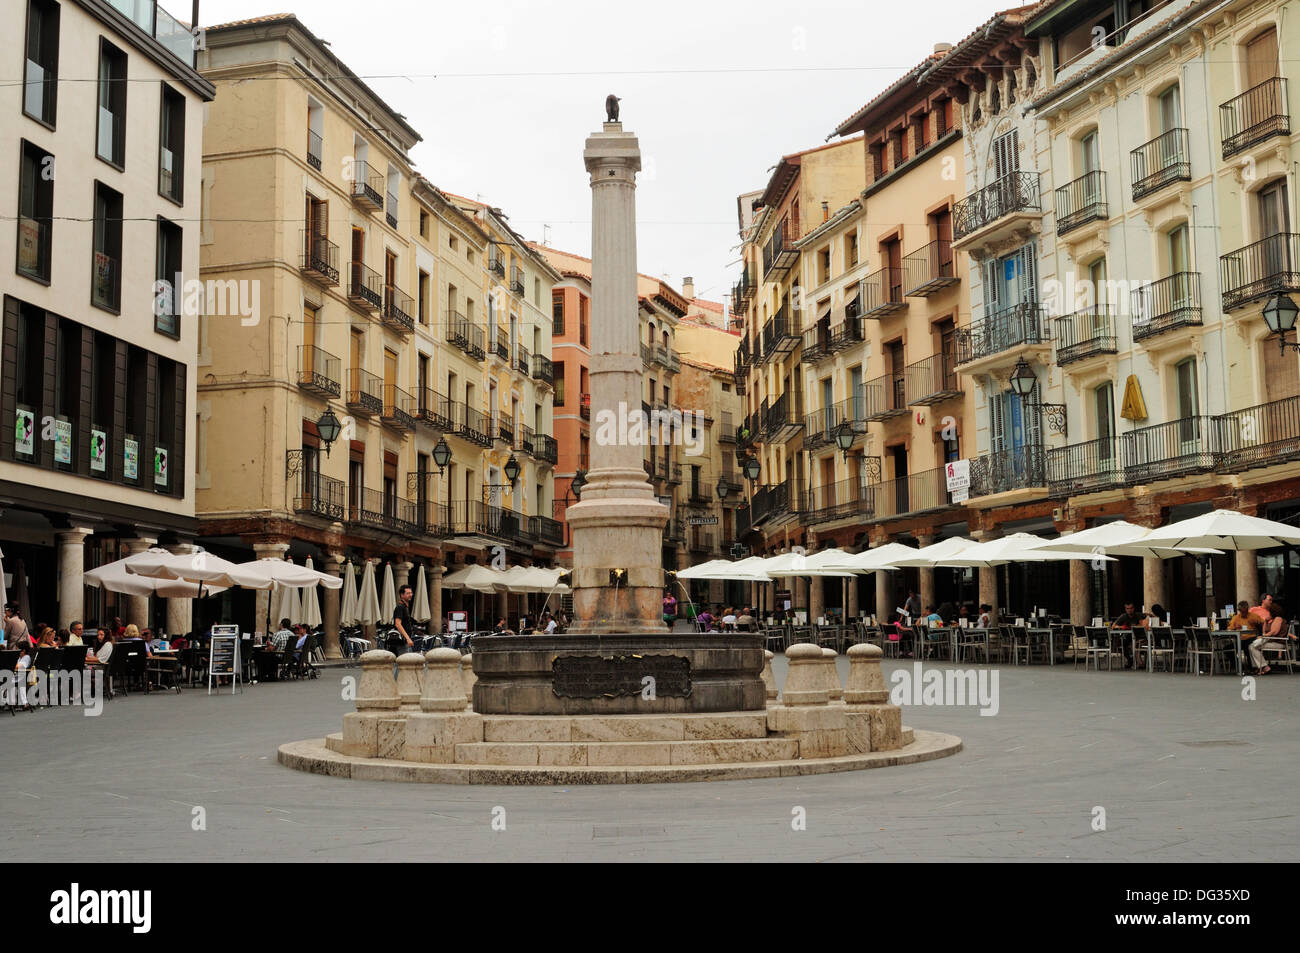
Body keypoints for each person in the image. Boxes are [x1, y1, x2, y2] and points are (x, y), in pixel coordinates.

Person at [1247, 597, 1295, 674]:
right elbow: (1264, 631)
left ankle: (1264, 667)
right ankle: (1260, 667)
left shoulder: (1278, 619)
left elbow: (1273, 632)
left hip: (1278, 643)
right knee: (1252, 646)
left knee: (1252, 647)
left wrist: (1264, 636)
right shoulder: (1272, 620)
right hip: (1273, 641)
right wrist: (1265, 621)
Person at [393, 584, 415, 651]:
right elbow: (398, 624)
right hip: (402, 642)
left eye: (411, 593)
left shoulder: (405, 607)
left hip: (405, 641)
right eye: (408, 593)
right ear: (402, 595)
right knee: (404, 660)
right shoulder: (400, 607)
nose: (410, 595)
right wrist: (408, 638)